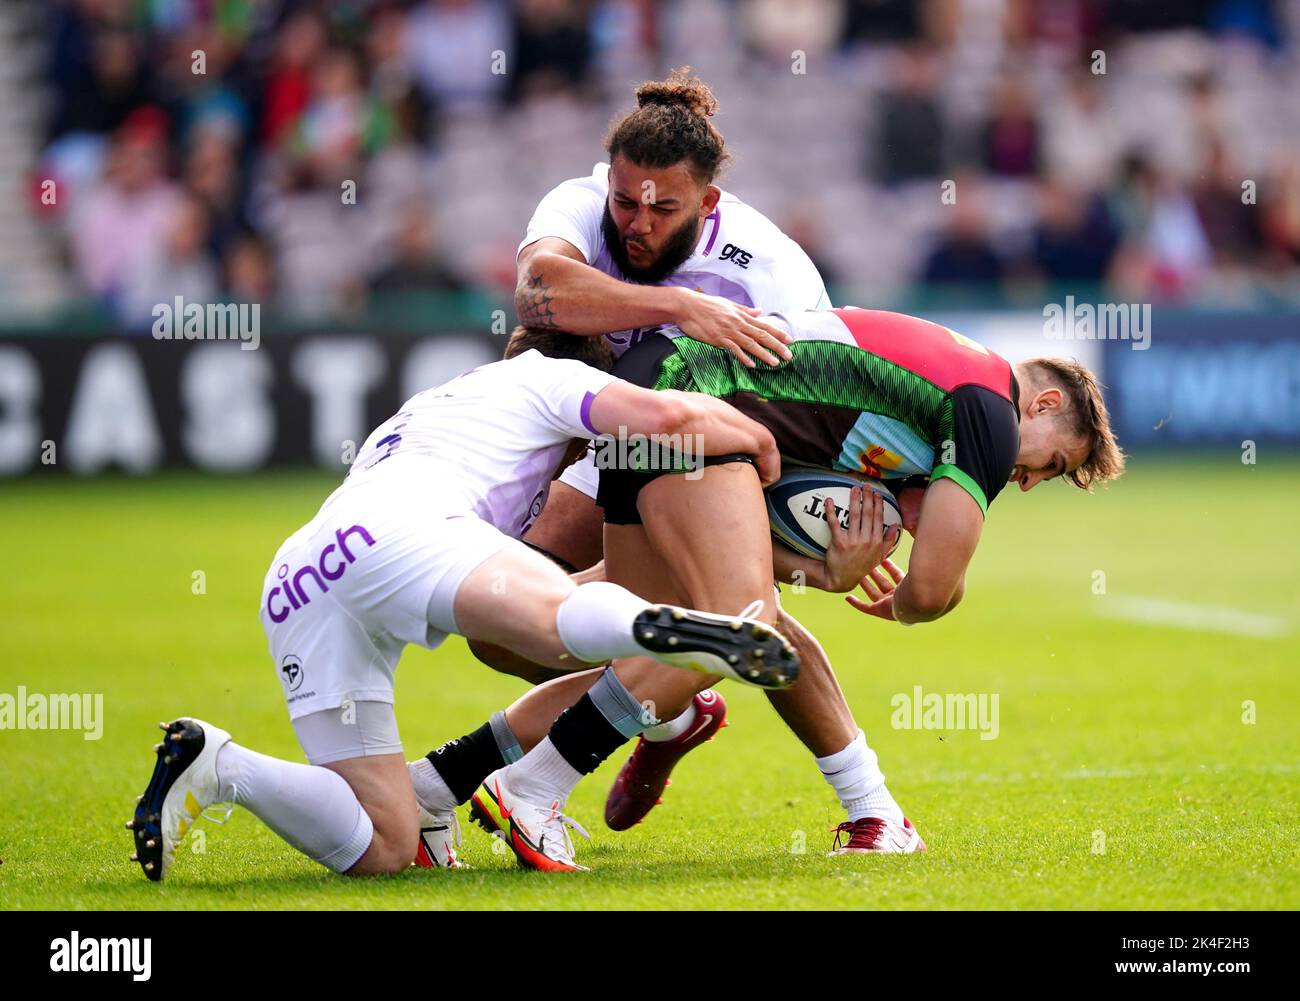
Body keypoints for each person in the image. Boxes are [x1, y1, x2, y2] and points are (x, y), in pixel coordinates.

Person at [410, 307, 1126, 870]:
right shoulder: (988, 409)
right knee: (736, 629)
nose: (1026, 482)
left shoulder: (932, 389)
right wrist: (904, 601)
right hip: (693, 405)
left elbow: (770, 497)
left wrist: (821, 571)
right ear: (1044, 403)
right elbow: (935, 586)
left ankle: (437, 782)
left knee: (633, 635)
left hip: (655, 404)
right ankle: (534, 787)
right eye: (1049, 465)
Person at [125, 330, 799, 881]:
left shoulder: (441, 401)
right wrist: (761, 441)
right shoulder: (548, 375)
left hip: (300, 574)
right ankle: (659, 629)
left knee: (383, 842)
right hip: (399, 529)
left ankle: (218, 763)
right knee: (557, 631)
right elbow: (670, 417)